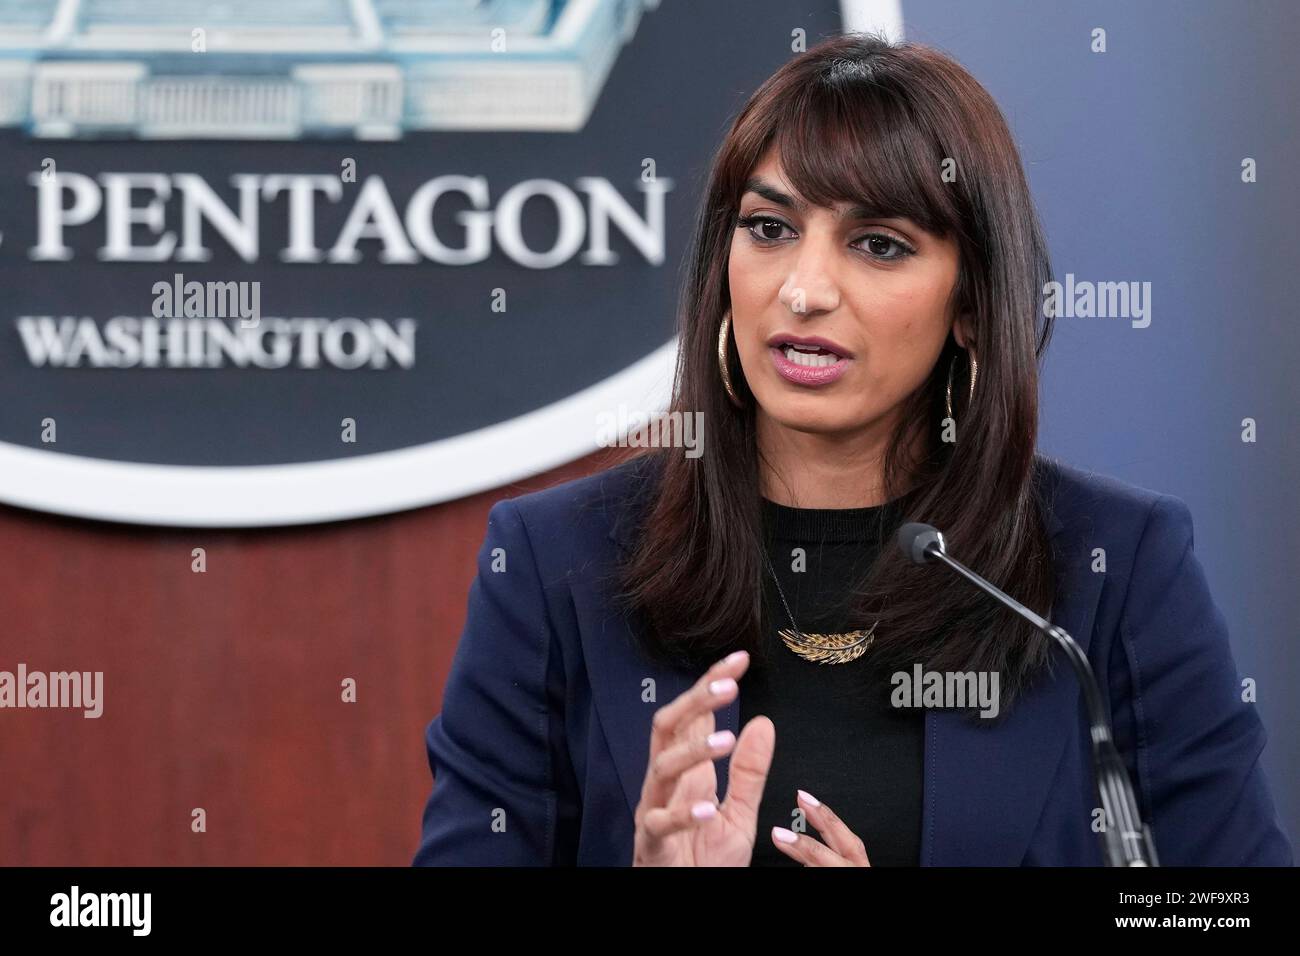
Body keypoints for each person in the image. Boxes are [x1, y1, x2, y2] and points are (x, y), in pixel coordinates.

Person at [412, 33, 1292, 866]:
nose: (803, 289)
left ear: (975, 304)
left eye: (879, 245)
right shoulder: (555, 561)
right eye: (769, 228)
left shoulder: (1111, 569)